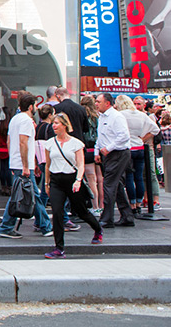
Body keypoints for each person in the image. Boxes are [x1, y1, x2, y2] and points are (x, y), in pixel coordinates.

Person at [39, 114, 105, 258]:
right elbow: (47, 165)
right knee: (57, 212)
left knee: (81, 211)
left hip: (72, 179)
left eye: (56, 123)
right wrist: (46, 183)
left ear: (64, 125)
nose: (53, 126)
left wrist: (78, 180)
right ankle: (59, 248)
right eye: (53, 123)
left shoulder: (76, 143)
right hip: (56, 180)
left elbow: (80, 164)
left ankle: (97, 228)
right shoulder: (50, 143)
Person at [0, 93, 52, 238]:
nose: (36, 108)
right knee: (32, 194)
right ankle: (45, 226)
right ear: (30, 106)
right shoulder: (27, 121)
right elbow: (24, 142)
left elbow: (10, 141)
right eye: (34, 105)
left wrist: (14, 161)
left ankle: (9, 226)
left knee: (20, 195)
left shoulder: (14, 119)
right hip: (23, 165)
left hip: (16, 163)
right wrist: (26, 165)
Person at [95, 92, 136, 227]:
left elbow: (124, 136)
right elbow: (100, 136)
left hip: (117, 153)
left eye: (98, 102)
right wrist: (98, 151)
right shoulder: (102, 117)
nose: (96, 104)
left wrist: (109, 148)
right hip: (108, 153)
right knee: (116, 184)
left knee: (109, 184)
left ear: (107, 103)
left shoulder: (116, 117)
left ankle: (107, 218)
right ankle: (126, 215)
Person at [116, 95, 156, 210]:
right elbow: (155, 130)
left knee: (129, 176)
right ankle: (139, 203)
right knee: (138, 176)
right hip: (139, 147)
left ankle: (132, 204)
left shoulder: (121, 115)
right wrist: (142, 138)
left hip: (128, 147)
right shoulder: (141, 115)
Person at [78, 95, 103, 214]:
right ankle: (101, 205)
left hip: (86, 149)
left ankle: (94, 205)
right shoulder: (98, 116)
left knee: (91, 179)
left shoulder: (82, 116)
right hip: (97, 148)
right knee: (100, 179)